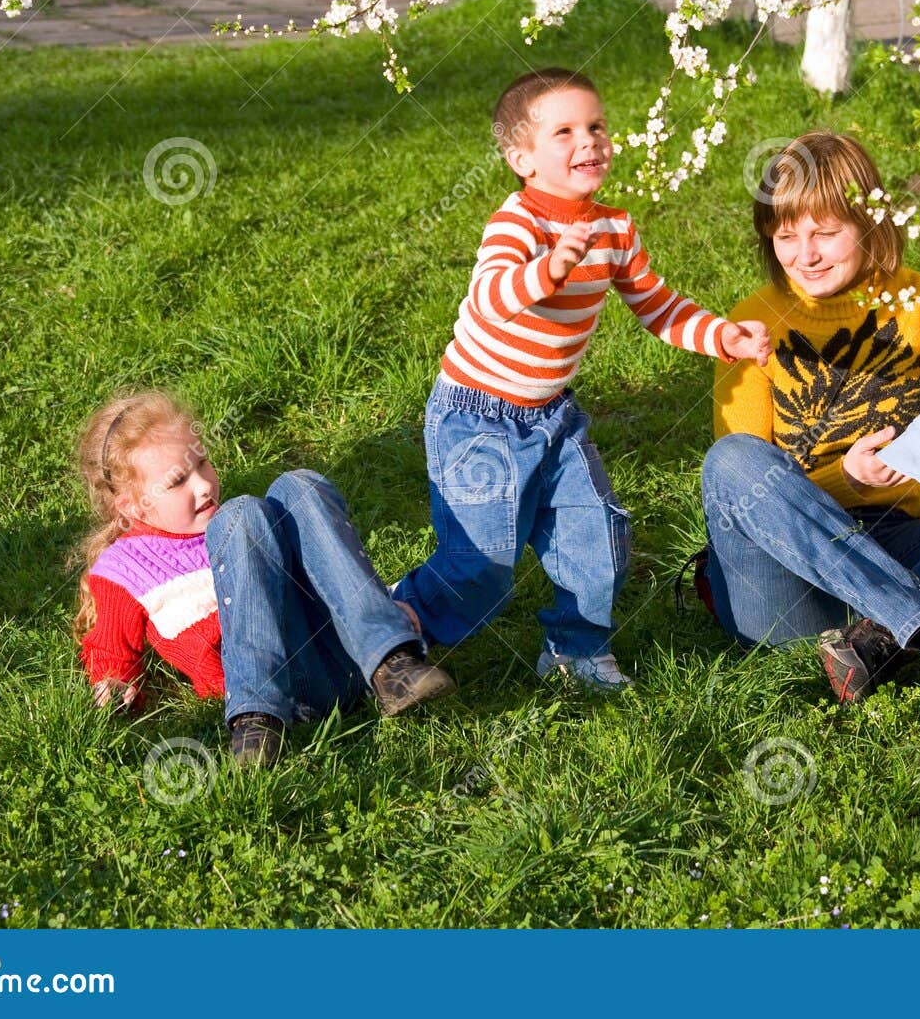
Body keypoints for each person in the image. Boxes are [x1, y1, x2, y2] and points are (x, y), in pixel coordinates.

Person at [390, 68, 772, 691]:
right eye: (563, 131)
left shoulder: (613, 228)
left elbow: (657, 306)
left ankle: (577, 650)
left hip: (552, 416)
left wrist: (723, 337)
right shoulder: (518, 222)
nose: (588, 140)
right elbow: (489, 298)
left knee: (598, 533)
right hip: (477, 415)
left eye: (596, 126)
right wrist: (548, 269)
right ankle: (392, 625)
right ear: (522, 159)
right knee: (482, 564)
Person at [700, 130, 920, 704]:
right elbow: (745, 490)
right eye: (786, 236)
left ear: (870, 224)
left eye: (825, 234)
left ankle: (886, 635)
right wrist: (846, 479)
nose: (805, 255)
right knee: (729, 459)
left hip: (901, 542)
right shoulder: (754, 322)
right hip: (786, 582)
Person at [73, 390, 453, 768]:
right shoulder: (126, 568)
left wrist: (387, 605)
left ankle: (391, 663)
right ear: (133, 506)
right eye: (177, 481)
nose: (203, 485)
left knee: (296, 486)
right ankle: (257, 720)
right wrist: (114, 684)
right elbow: (109, 650)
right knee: (240, 515)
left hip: (350, 660)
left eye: (202, 463)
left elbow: (326, 578)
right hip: (286, 692)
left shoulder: (242, 525)